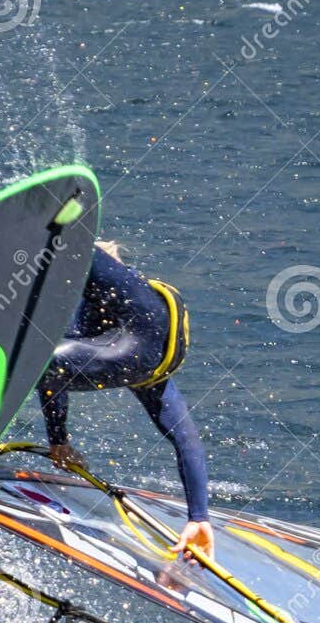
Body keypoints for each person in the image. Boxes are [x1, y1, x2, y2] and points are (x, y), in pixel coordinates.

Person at [37, 240, 214, 561]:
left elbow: (50, 372)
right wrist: (199, 517)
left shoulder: (104, 322)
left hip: (147, 327)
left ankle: (61, 233)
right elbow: (188, 442)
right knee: (48, 360)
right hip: (154, 336)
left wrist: (58, 440)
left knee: (45, 358)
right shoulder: (144, 372)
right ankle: (64, 238)